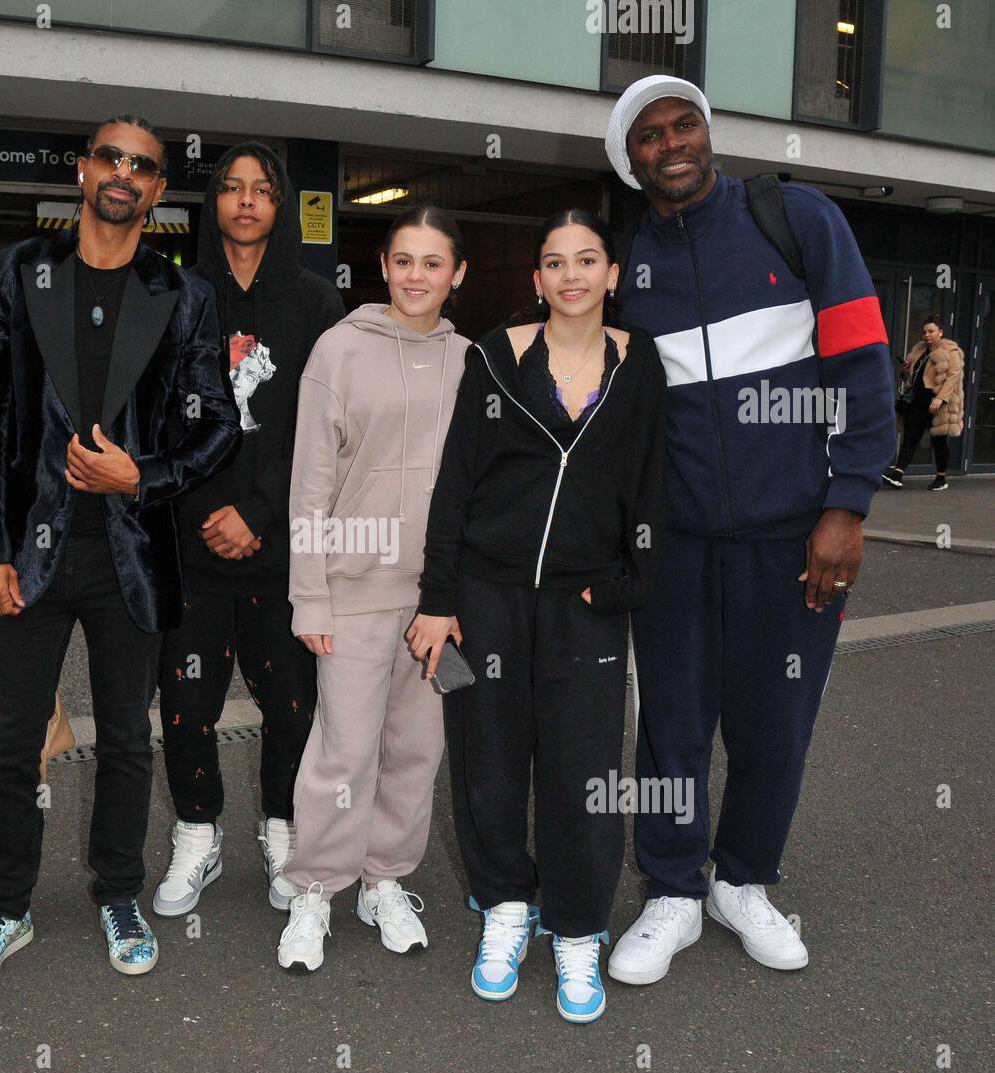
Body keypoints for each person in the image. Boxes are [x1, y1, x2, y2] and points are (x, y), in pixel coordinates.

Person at [603, 76, 896, 985]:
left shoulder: (796, 220)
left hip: (795, 535)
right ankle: (673, 890)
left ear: (708, 133)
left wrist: (846, 505)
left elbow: (864, 366)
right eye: (650, 135)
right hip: (678, 544)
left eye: (684, 123)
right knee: (671, 727)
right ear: (631, 160)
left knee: (778, 724)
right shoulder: (623, 266)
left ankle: (745, 881)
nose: (673, 142)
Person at [0, 115, 240, 992]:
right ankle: (5, 908)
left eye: (143, 165)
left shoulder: (182, 295)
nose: (124, 173)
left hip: (129, 557)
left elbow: (219, 426)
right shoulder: (12, 273)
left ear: (155, 190)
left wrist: (138, 477)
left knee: (125, 744)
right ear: (83, 172)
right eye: (110, 156)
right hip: (23, 554)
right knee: (10, 746)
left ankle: (118, 891)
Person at [411, 209, 665, 1023]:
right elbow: (455, 482)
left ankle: (578, 927)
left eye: (588, 259)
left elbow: (652, 480)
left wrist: (632, 581)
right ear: (537, 280)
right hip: (486, 595)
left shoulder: (641, 364)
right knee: (486, 760)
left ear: (613, 274)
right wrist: (438, 599)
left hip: (585, 604)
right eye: (555, 263)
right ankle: (505, 907)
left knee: (585, 771)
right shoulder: (494, 358)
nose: (571, 276)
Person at [275, 206, 470, 973]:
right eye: (404, 260)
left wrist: (457, 599)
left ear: (458, 274)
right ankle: (316, 886)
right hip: (352, 590)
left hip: (437, 600)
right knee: (343, 749)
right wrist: (310, 596)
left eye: (433, 262)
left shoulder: (472, 361)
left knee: (417, 748)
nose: (417, 275)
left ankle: (385, 880)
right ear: (383, 267)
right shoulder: (339, 349)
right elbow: (310, 483)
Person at [154, 141, 344, 918]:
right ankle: (197, 836)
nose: (244, 201)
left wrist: (260, 514)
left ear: (280, 205)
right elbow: (156, 420)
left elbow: (321, 428)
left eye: (261, 190)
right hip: (192, 546)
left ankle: (282, 830)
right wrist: (202, 513)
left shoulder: (315, 302)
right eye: (230, 188)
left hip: (282, 550)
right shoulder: (171, 294)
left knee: (291, 707)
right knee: (186, 705)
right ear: (214, 205)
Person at [883, 314, 964, 491]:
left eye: (931, 331)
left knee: (939, 440)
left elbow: (953, 377)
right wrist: (905, 370)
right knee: (910, 437)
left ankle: (941, 478)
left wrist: (940, 398)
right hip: (918, 400)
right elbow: (912, 376)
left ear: (940, 332)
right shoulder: (919, 350)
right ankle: (897, 474)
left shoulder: (951, 351)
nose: (927, 335)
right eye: (925, 332)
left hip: (937, 401)